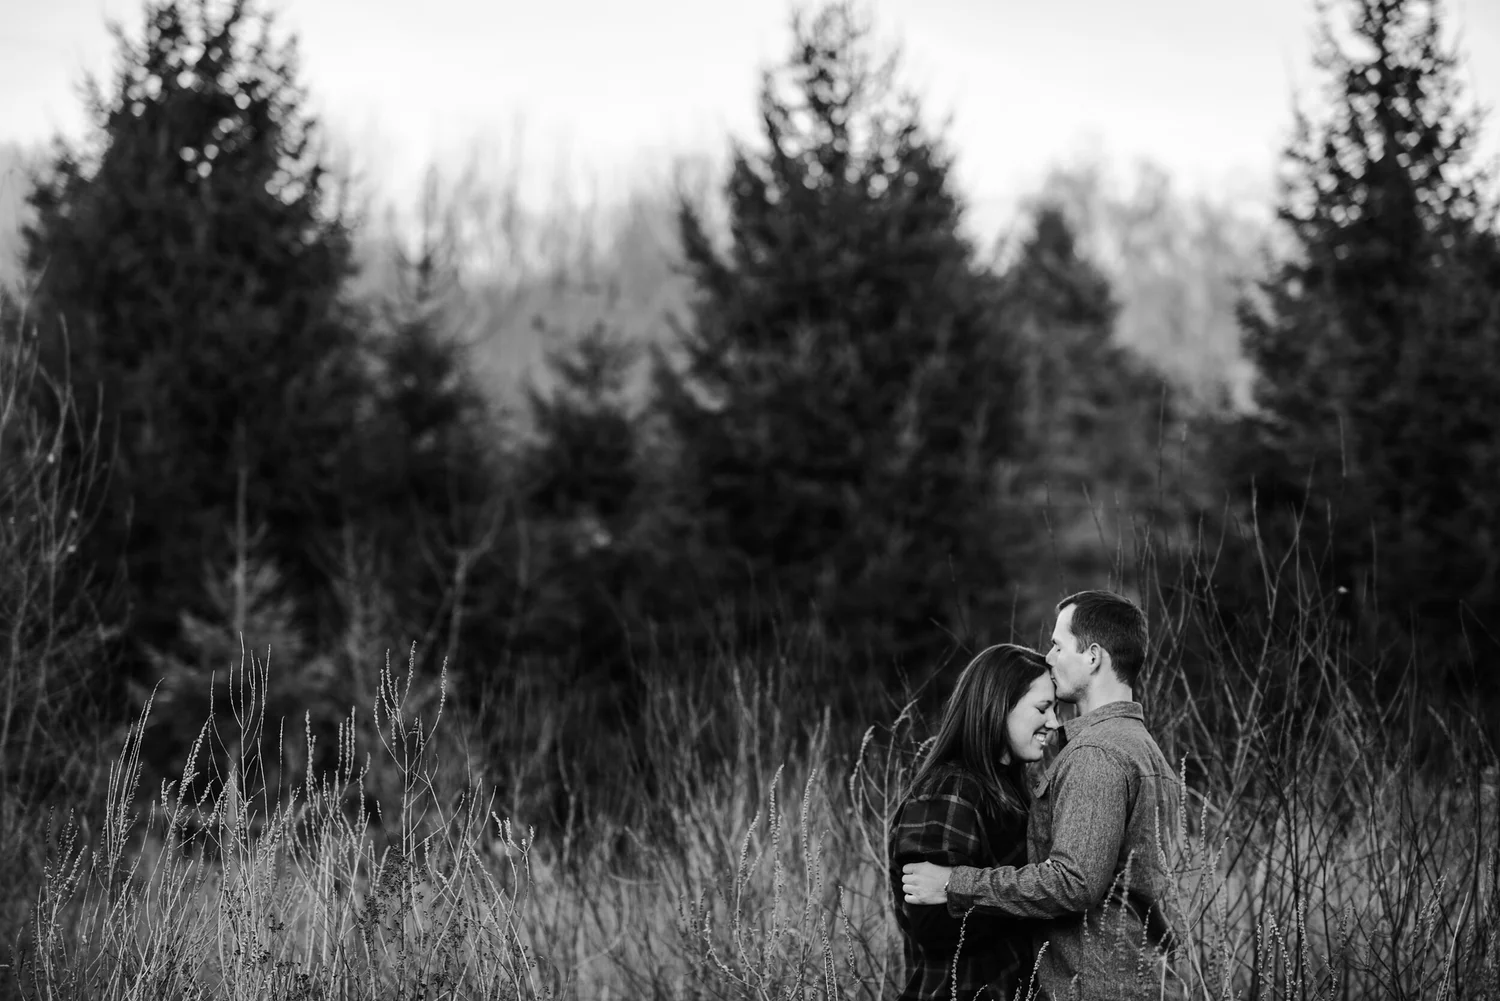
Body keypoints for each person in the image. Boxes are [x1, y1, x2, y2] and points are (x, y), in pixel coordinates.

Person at [901, 590, 1185, 1001]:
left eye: (1057, 645)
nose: (1048, 657)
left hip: (1101, 987)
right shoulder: (1143, 747)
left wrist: (955, 884)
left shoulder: (1096, 754)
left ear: (1092, 656)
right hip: (1140, 979)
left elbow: (1074, 882)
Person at [888, 643, 1060, 1000]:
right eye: (1043, 708)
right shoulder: (949, 790)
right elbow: (932, 924)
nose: (1054, 722)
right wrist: (1040, 901)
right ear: (999, 706)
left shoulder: (1005, 789)